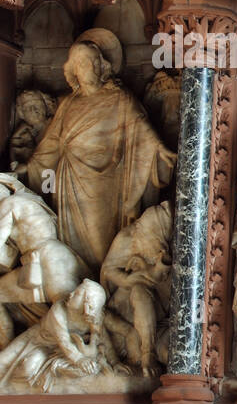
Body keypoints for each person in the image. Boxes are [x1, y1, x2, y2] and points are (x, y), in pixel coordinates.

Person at [25, 29, 176, 272]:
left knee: (101, 240)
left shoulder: (119, 98)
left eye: (93, 62)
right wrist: (29, 167)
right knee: (70, 243)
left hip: (107, 183)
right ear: (73, 69)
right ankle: (75, 286)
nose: (89, 68)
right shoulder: (68, 104)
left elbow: (140, 129)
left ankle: (107, 284)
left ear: (103, 65)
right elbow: (51, 144)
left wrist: (159, 148)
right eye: (82, 63)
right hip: (70, 181)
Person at [0, 172, 88, 348]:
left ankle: (6, 351)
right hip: (61, 254)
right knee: (66, 309)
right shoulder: (31, 199)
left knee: (67, 312)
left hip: (42, 259)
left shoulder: (8, 204)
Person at [100, 200, 173, 378]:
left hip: (162, 323)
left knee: (176, 354)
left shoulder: (171, 246)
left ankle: (151, 353)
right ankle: (148, 355)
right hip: (132, 317)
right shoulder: (128, 239)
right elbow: (108, 270)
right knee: (139, 290)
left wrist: (163, 266)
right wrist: (128, 279)